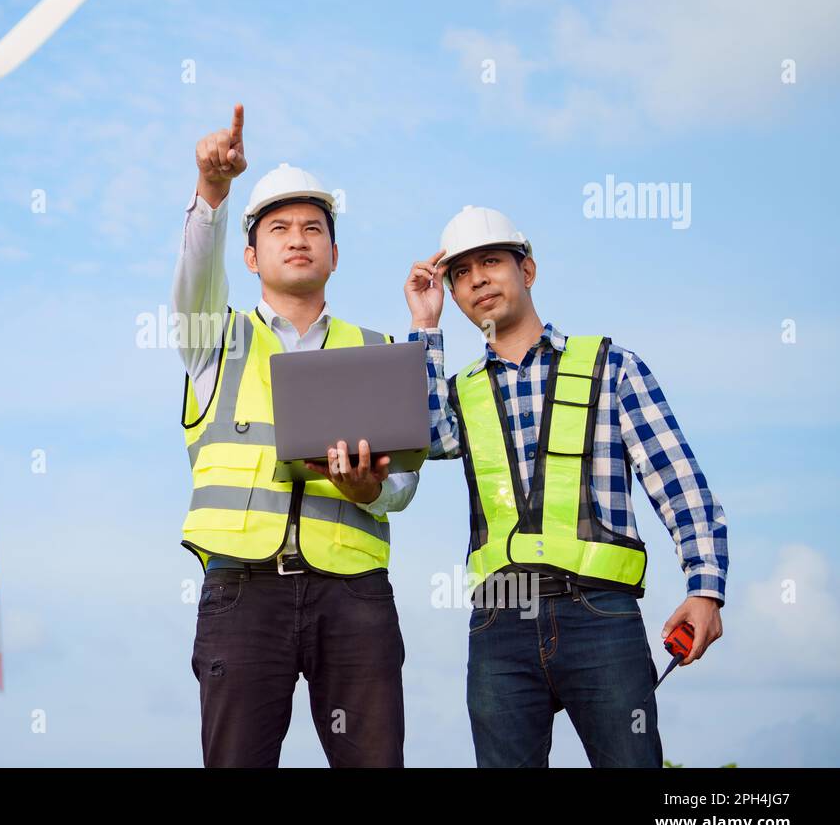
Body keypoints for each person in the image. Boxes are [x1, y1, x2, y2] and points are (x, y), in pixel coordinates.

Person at [403, 205, 728, 767]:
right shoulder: (462, 392)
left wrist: (705, 588)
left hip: (601, 615)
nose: (477, 278)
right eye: (460, 273)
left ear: (527, 270)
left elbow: (679, 483)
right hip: (498, 625)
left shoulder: (611, 366)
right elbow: (424, 437)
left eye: (492, 261)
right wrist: (425, 327)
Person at [172, 103, 418, 767]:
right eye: (278, 228)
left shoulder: (381, 348)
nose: (298, 237)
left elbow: (403, 485)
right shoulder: (213, 340)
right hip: (242, 594)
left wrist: (371, 490)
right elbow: (193, 282)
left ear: (335, 254)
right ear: (250, 255)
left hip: (355, 597)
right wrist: (213, 194)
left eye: (314, 227)